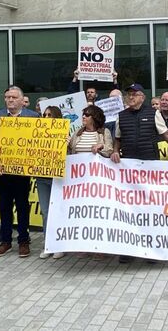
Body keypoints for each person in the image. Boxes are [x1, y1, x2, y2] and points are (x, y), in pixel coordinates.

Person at [111, 83, 168, 263]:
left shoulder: (153, 113)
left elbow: (167, 135)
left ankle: (152, 249)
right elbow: (118, 138)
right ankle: (129, 249)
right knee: (130, 208)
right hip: (129, 169)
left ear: (142, 97)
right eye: (129, 94)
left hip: (150, 167)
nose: (131, 97)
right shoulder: (121, 116)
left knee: (150, 208)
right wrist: (116, 151)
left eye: (135, 94)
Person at [0, 86, 41, 258]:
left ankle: (23, 240)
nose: (10, 100)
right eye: (7, 97)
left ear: (21, 99)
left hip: (22, 172)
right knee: (4, 207)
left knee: (23, 206)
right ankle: (6, 241)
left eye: (13, 97)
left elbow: (39, 142)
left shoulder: (33, 116)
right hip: (2, 172)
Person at [57, 105, 115, 261]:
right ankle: (84, 245)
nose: (83, 117)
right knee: (82, 213)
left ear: (94, 118)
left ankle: (99, 247)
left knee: (97, 214)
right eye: (83, 115)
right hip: (79, 182)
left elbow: (110, 150)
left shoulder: (104, 132)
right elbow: (72, 151)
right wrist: (66, 143)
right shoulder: (78, 133)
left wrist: (101, 147)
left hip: (97, 181)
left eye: (87, 115)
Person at [36, 106, 67, 260]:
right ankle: (48, 243)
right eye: (45, 115)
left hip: (59, 178)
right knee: (45, 211)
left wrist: (67, 144)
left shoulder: (65, 133)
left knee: (59, 212)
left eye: (50, 115)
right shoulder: (37, 132)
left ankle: (60, 245)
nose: (47, 117)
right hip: (42, 178)